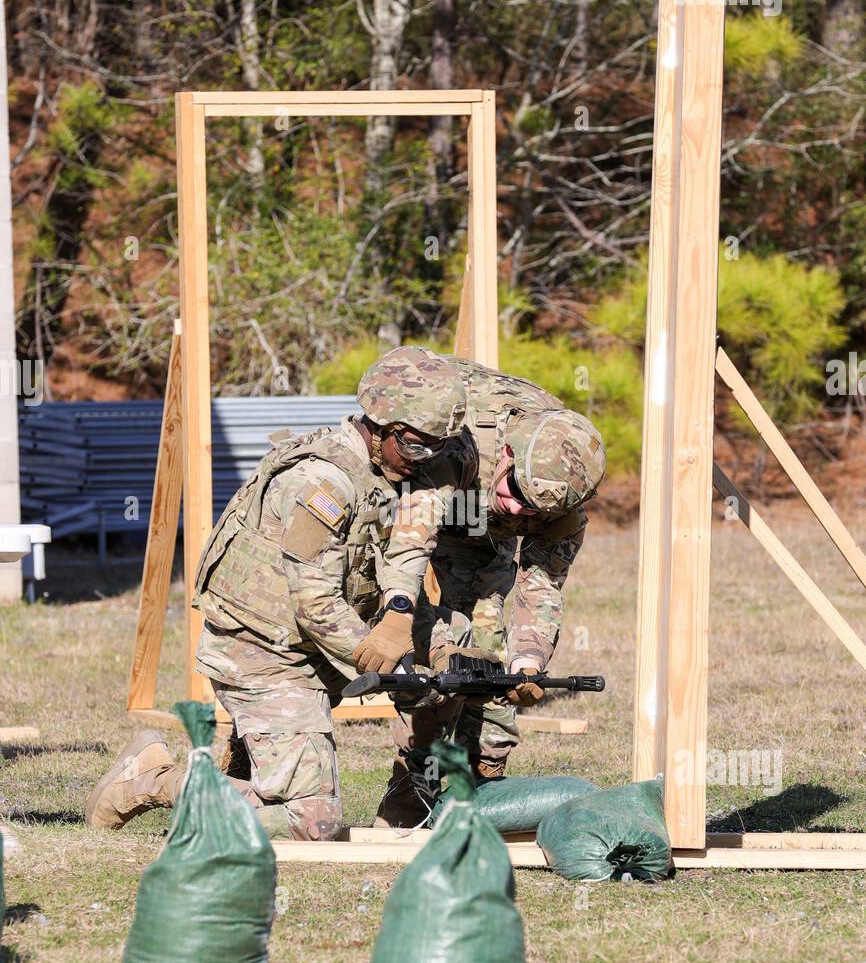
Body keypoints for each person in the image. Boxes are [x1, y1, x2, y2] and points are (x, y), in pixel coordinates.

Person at [86, 347, 470, 840]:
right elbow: (315, 604)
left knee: (456, 646)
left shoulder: (392, 468)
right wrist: (385, 662)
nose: (426, 460)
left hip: (314, 640)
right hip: (262, 653)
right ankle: (153, 779)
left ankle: (405, 802)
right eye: (417, 446)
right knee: (315, 824)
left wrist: (402, 617)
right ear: (378, 425)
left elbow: (403, 552)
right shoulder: (322, 484)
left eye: (437, 449)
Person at [376, 357, 606, 827]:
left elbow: (540, 588)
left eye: (532, 510)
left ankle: (480, 787)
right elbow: (410, 539)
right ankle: (411, 790)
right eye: (516, 492)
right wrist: (399, 612)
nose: (519, 509)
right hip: (415, 511)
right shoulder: (460, 442)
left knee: (488, 660)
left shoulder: (561, 501)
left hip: (482, 536)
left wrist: (529, 661)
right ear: (507, 455)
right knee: (435, 656)